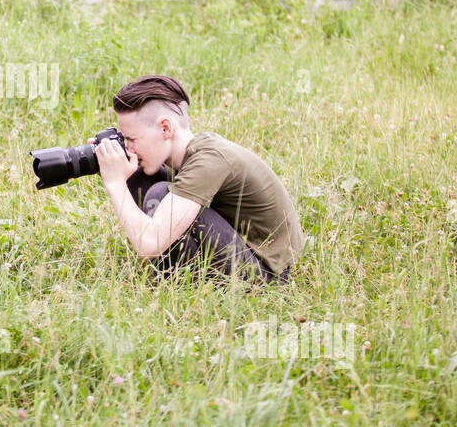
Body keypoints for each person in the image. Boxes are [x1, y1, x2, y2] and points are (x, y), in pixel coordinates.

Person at [91, 75, 304, 284]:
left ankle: (178, 283)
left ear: (166, 128)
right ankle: (179, 279)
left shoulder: (210, 161)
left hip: (267, 275)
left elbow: (149, 244)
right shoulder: (193, 150)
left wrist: (115, 183)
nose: (129, 148)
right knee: (140, 178)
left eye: (131, 139)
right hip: (245, 250)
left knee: (160, 193)